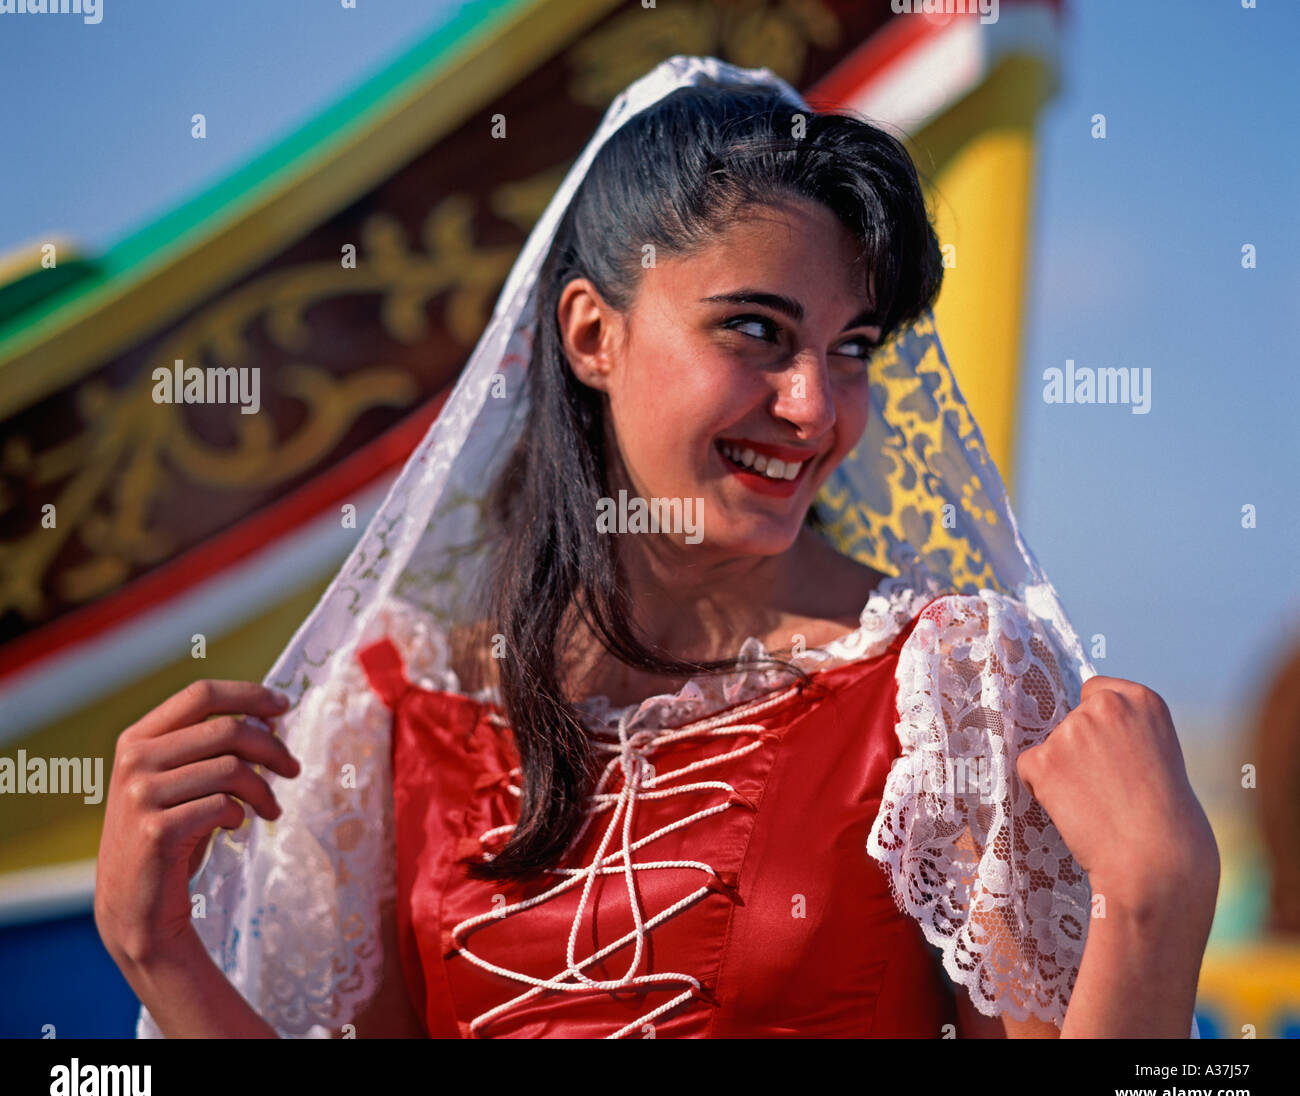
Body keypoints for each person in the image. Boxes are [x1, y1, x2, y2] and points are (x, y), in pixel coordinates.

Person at [96, 56, 1218, 1039]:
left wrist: (1156, 902)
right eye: (756, 331)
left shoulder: (947, 688)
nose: (813, 406)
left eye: (851, 347)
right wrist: (159, 950)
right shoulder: (398, 711)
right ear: (592, 333)